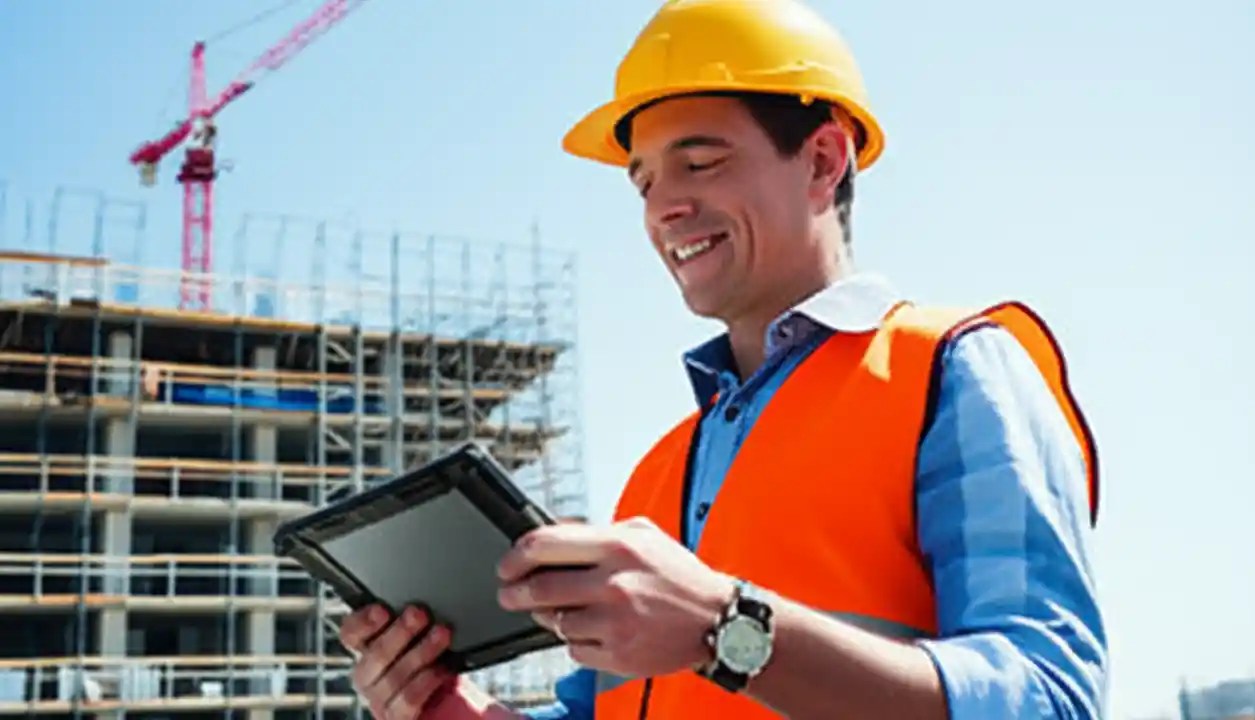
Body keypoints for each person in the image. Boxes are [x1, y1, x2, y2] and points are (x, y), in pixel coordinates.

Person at [338, 1, 1108, 718]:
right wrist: (447, 708)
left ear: (823, 160)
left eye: (699, 162)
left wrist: (723, 628)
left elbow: (1051, 695)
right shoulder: (658, 476)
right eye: (642, 181)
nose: (661, 206)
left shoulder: (950, 370)